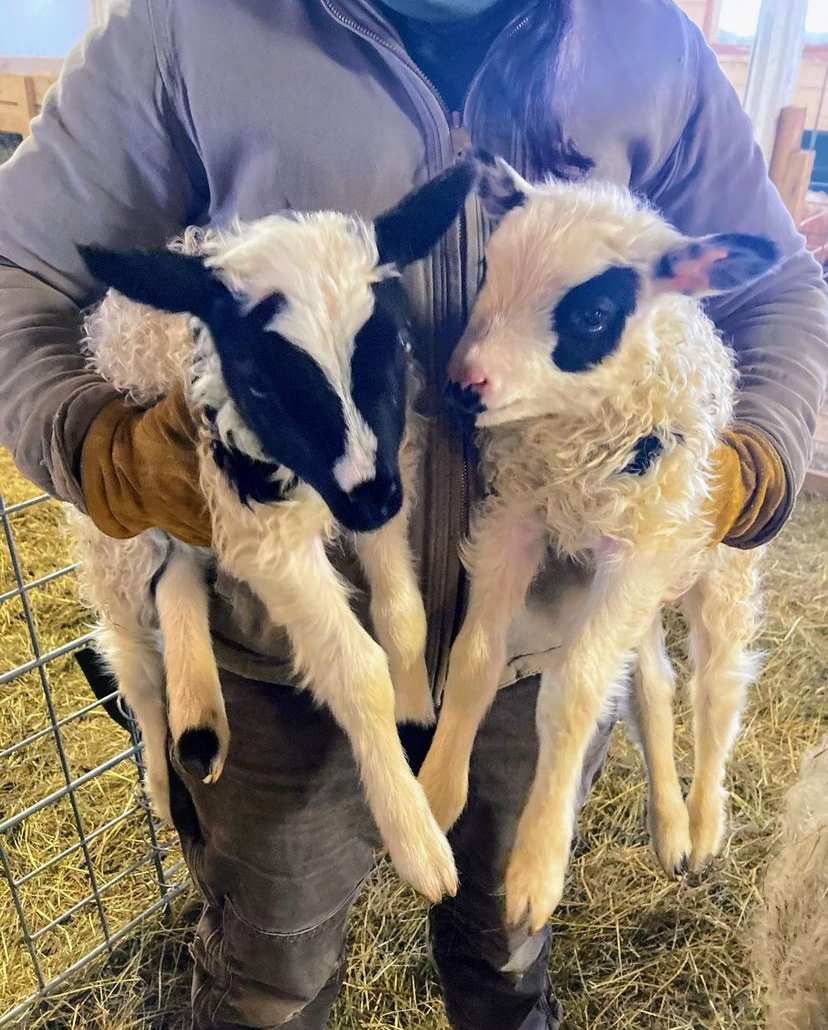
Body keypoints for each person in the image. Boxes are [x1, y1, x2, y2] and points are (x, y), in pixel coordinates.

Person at [0, 1, 825, 1027]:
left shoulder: (648, 39)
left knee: (510, 953)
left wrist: (746, 464)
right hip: (276, 648)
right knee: (270, 979)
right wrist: (103, 450)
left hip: (536, 640)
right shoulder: (184, 28)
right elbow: (16, 264)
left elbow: (776, 285)